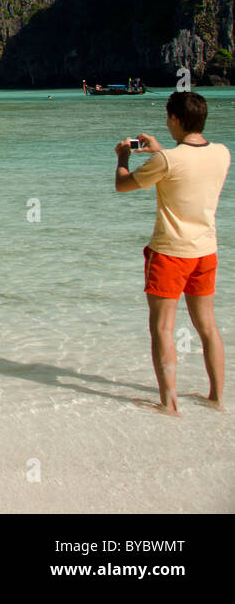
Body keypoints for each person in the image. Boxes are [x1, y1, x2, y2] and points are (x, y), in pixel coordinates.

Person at [115, 91, 229, 415]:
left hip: (170, 254)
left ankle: (170, 404)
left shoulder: (166, 161)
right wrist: (159, 150)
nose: (167, 123)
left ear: (176, 120)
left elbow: (123, 185)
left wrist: (123, 157)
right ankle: (217, 399)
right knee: (207, 325)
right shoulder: (222, 153)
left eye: (169, 118)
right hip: (206, 252)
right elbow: (186, 169)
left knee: (163, 328)